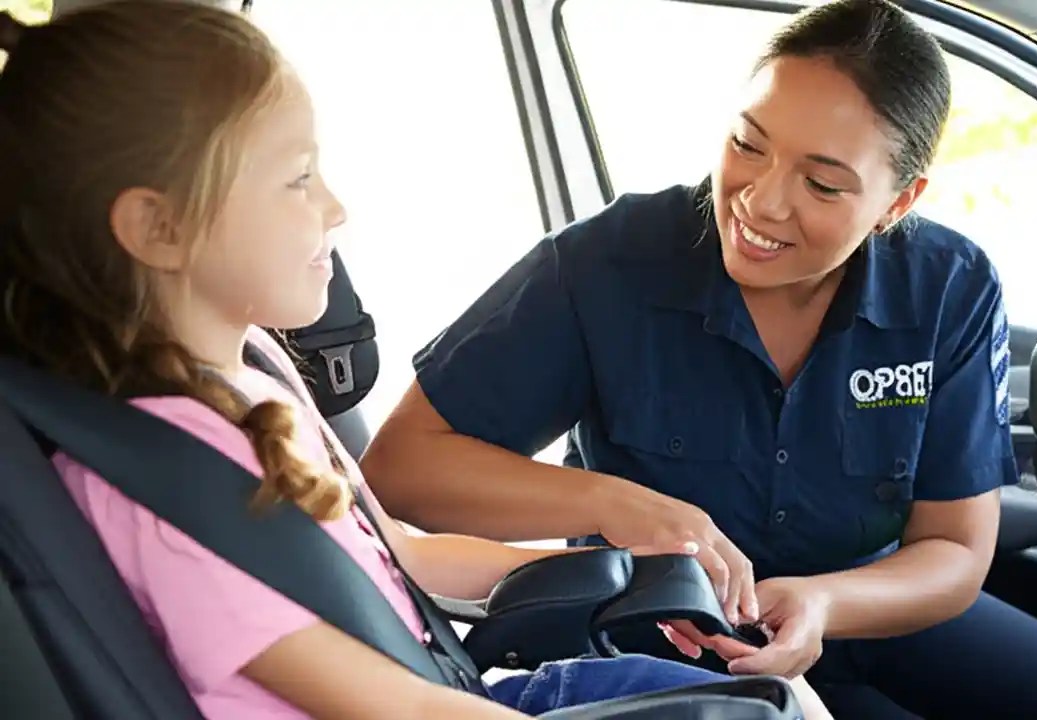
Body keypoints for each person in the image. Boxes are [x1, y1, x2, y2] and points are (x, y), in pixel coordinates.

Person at [0, 3, 833, 719]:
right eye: (297, 179)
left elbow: (391, 556)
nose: (335, 207)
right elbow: (397, 708)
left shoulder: (249, 370)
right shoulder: (163, 483)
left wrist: (622, 569)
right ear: (158, 229)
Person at [359, 1, 1037, 718]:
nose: (761, 201)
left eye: (822, 183)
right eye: (748, 144)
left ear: (899, 202)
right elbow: (400, 470)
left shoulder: (951, 287)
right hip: (660, 624)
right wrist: (609, 504)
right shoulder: (604, 266)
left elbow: (954, 552)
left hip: (865, 602)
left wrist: (821, 604)